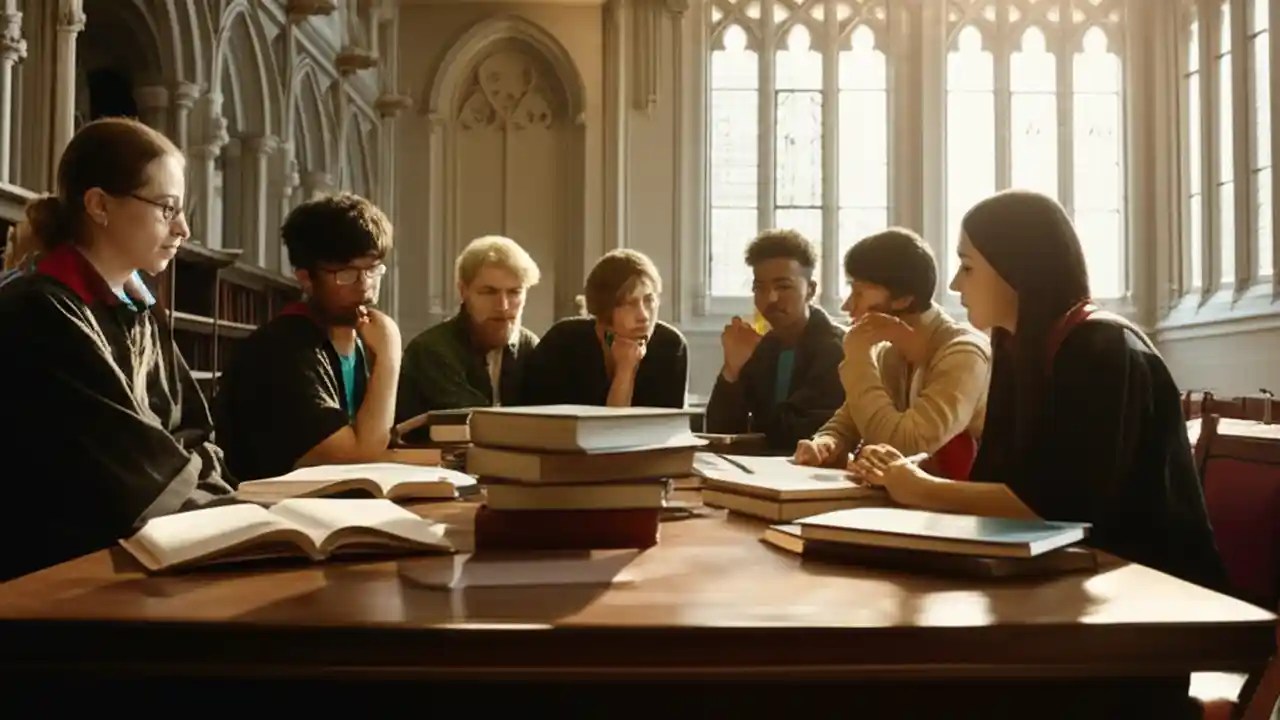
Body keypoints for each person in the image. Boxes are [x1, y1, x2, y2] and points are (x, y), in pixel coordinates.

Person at [852, 190, 1227, 595]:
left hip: (1152, 587)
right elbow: (995, 476)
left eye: (967, 267)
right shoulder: (1014, 344)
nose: (957, 283)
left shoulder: (1100, 346)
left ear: (1017, 270)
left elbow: (1060, 509)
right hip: (1069, 575)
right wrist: (906, 470)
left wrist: (922, 488)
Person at [0, 117, 236, 580]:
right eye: (167, 209)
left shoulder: (140, 309)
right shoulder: (40, 311)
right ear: (99, 205)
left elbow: (195, 433)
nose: (183, 228)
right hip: (55, 577)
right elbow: (127, 473)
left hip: (138, 553)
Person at [215, 192, 434, 482]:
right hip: (274, 516)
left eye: (372, 269)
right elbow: (357, 456)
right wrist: (391, 353)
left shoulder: (362, 340)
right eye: (345, 273)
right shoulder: (281, 349)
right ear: (305, 277)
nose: (365, 286)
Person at [794, 228, 991, 479]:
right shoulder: (888, 352)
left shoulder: (963, 352)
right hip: (908, 504)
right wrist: (824, 444)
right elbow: (849, 422)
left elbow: (906, 444)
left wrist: (857, 357)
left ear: (903, 299)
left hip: (967, 510)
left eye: (859, 293)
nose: (847, 306)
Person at [704, 229, 844, 451]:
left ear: (811, 290)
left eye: (783, 287)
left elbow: (795, 436)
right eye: (760, 288)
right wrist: (732, 371)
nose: (770, 298)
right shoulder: (761, 347)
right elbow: (720, 434)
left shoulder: (836, 349)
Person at [396, 235, 540, 424]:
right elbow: (476, 423)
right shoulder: (431, 350)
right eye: (489, 292)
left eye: (514, 292)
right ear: (463, 291)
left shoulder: (530, 347)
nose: (503, 305)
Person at [522, 248, 688, 408]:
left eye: (649, 300)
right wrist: (624, 370)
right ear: (605, 309)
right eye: (630, 304)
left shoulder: (669, 345)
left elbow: (664, 428)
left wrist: (627, 369)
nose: (644, 316)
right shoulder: (564, 342)